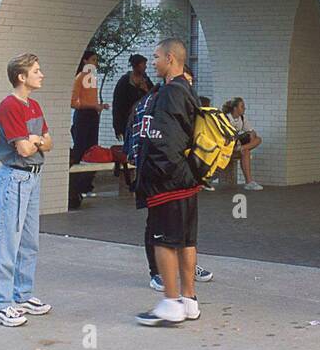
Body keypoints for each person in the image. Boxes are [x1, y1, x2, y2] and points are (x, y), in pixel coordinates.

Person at [135, 38, 206, 326]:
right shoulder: (188, 91)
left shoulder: (169, 94)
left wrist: (155, 177)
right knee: (186, 239)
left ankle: (171, 302)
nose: (153, 62)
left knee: (162, 241)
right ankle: (189, 300)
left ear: (170, 59)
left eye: (156, 57)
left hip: (168, 182)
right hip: (188, 179)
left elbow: (165, 141)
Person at [0, 53, 54, 326]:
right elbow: (24, 149)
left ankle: (22, 295)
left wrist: (34, 140)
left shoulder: (34, 106)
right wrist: (35, 141)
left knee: (29, 242)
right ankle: (1, 306)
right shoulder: (10, 107)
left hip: (32, 178)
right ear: (21, 77)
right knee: (7, 242)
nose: (41, 74)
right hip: (14, 179)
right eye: (36, 71)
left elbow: (48, 143)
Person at [68, 49, 108, 207]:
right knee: (81, 151)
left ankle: (84, 185)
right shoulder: (80, 78)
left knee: (92, 151)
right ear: (85, 61)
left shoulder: (92, 78)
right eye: (92, 59)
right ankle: (74, 188)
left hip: (92, 115)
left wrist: (97, 107)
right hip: (83, 115)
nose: (95, 63)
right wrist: (93, 105)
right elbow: (73, 102)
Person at [222, 97, 263, 190]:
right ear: (235, 108)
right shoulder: (226, 118)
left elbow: (252, 132)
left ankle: (249, 183)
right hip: (226, 145)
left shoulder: (242, 118)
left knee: (257, 140)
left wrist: (251, 136)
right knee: (246, 151)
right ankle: (242, 148)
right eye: (242, 106)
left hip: (236, 145)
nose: (244, 108)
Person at [111, 54, 153, 141]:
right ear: (137, 66)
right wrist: (118, 128)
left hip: (143, 120)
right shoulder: (125, 81)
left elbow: (153, 96)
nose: (145, 67)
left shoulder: (146, 80)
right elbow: (117, 105)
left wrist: (145, 89)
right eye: (143, 64)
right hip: (128, 120)